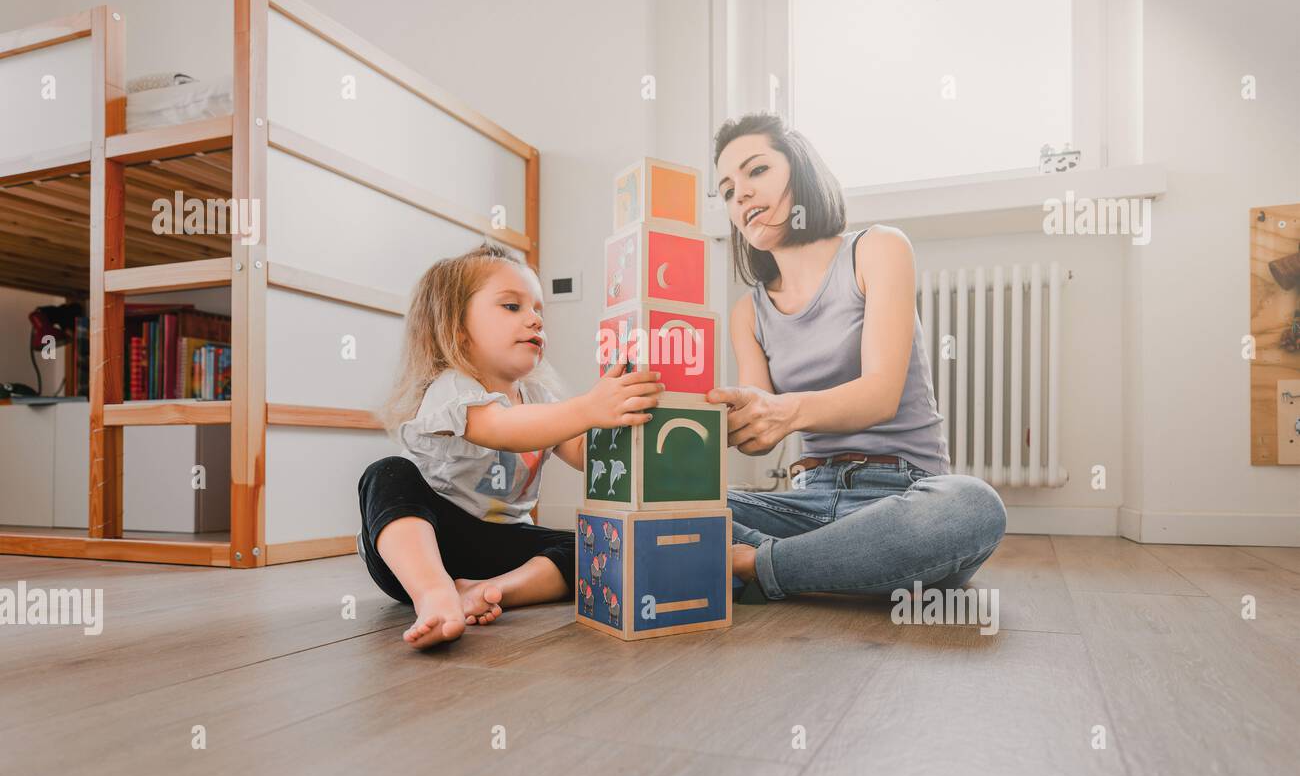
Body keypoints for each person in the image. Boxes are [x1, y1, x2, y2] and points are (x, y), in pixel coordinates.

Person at [704, 112, 1007, 603]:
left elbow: (880, 395)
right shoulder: (748, 311)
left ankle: (755, 562)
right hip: (807, 501)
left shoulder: (879, 249)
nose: (739, 194)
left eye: (756, 170)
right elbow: (761, 438)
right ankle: (816, 565)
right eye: (727, 188)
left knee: (973, 507)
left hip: (902, 494)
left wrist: (784, 411)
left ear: (800, 169)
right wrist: (721, 420)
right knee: (676, 505)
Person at [357, 243, 664, 648]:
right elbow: (498, 426)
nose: (535, 319)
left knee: (590, 547)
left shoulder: (539, 398)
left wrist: (625, 421)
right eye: (512, 307)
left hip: (503, 544)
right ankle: (433, 592)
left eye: (538, 309)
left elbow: (582, 455)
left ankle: (490, 590)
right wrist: (589, 408)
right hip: (431, 542)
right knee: (387, 473)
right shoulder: (452, 389)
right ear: (457, 329)